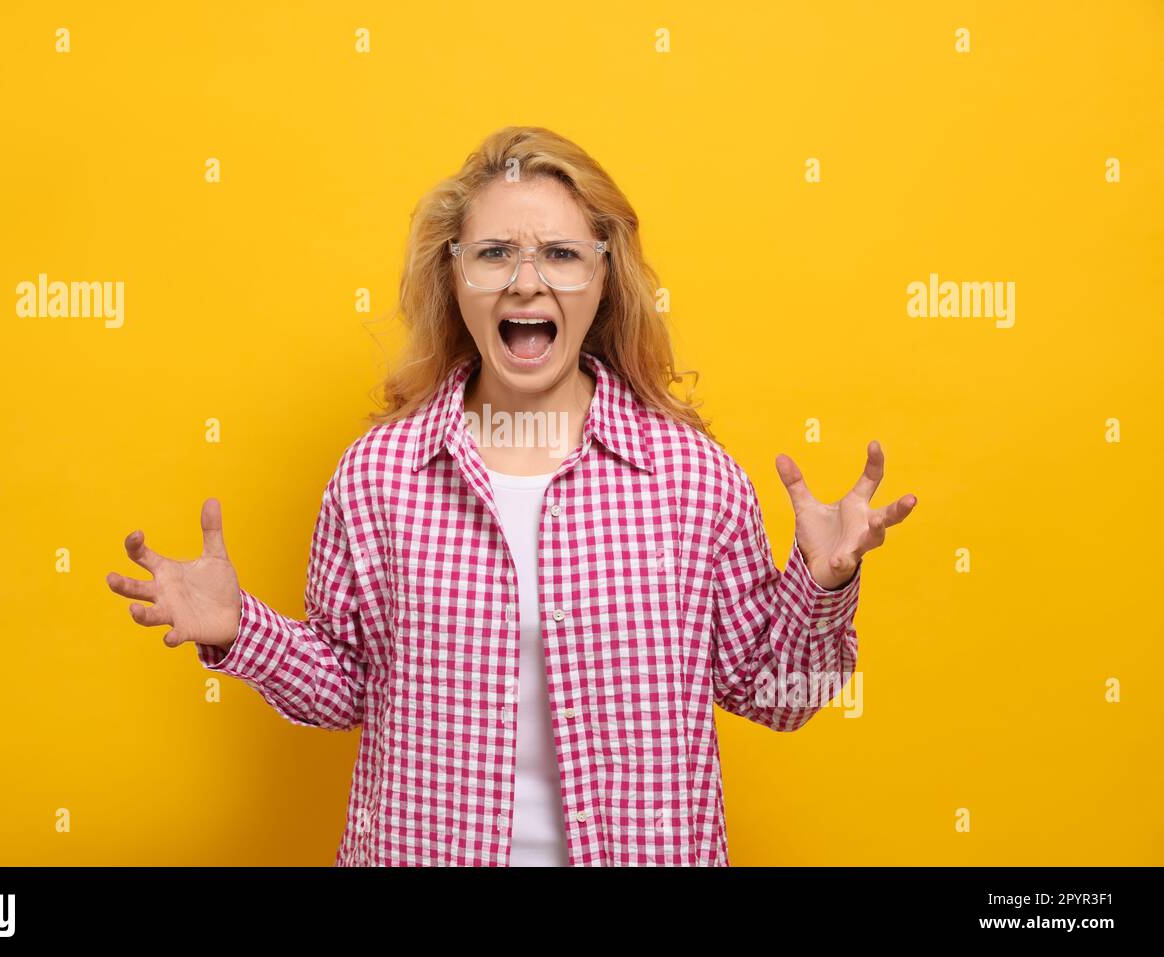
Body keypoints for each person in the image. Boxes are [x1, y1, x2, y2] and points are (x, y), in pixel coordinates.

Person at [105, 126, 917, 866]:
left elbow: (773, 694)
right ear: (454, 274)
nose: (526, 283)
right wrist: (239, 626)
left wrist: (825, 584)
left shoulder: (693, 479)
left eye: (561, 255)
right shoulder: (379, 477)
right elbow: (351, 688)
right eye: (495, 253)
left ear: (605, 275)